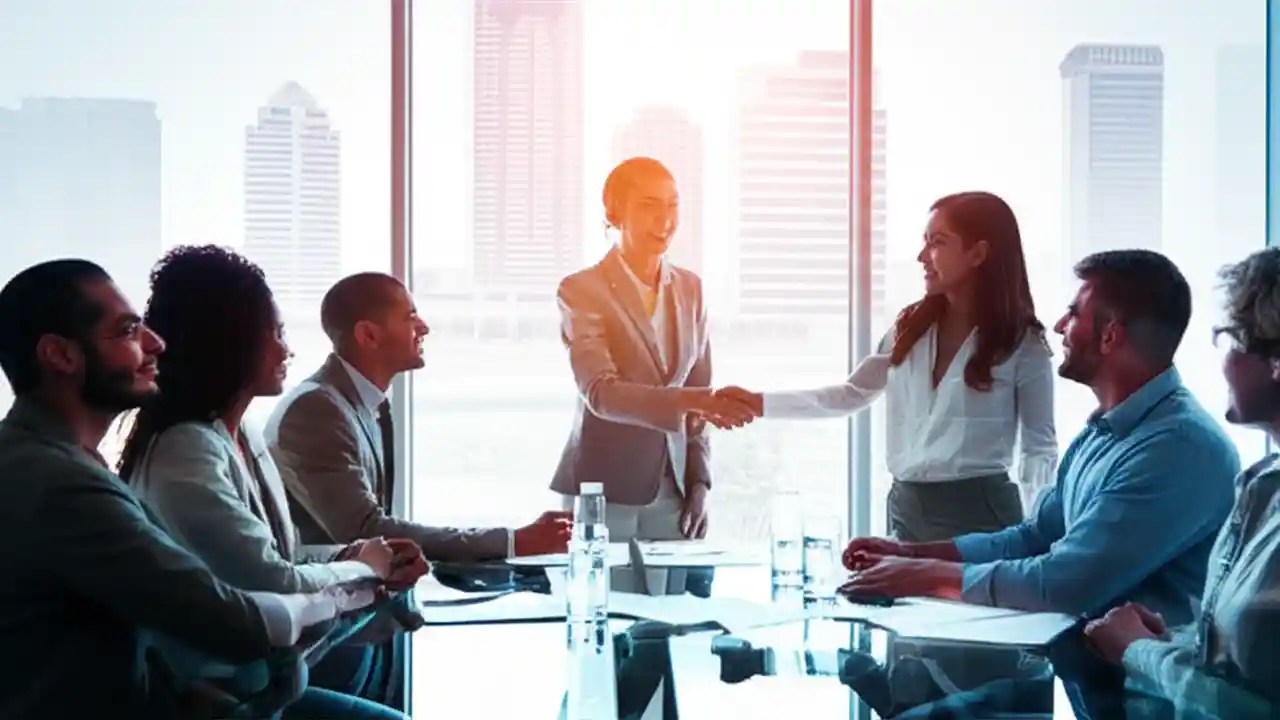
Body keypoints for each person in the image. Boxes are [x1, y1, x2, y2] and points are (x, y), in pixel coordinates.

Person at [0, 259, 360, 719]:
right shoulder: (58, 484)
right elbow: (232, 621)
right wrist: (360, 581)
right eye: (128, 331)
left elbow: (118, 615)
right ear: (60, 355)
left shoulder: (51, 460)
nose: (155, 343)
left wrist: (175, 692)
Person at [117, 246, 427, 719]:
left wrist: (355, 554)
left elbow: (279, 557)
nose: (289, 349)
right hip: (221, 696)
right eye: (276, 334)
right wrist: (366, 568)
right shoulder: (186, 452)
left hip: (267, 679)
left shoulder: (243, 435)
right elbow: (272, 580)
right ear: (230, 341)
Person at [721, 191, 1056, 540]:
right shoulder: (909, 329)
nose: (922, 257)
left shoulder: (1023, 344)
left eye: (937, 243)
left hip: (983, 515)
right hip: (906, 508)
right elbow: (850, 394)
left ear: (978, 253)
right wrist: (757, 402)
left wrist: (1039, 534)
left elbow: (1039, 449)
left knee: (966, 596)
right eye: (924, 243)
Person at [1085, 248, 1280, 719]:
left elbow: (1245, 710)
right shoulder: (1262, 486)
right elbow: (1243, 661)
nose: (1219, 358)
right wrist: (1175, 639)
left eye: (1227, 337)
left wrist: (1136, 650)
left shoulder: (1185, 444)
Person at [266, 271, 570, 560]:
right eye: (410, 317)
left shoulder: (362, 403)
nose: (423, 326)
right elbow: (366, 531)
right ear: (368, 335)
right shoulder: (316, 412)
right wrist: (513, 542)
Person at [550, 156, 750, 594]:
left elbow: (699, 388)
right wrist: (692, 403)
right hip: (602, 489)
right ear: (614, 212)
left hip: (673, 491)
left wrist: (700, 482)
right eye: (649, 205)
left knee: (667, 628)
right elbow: (600, 392)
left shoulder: (691, 289)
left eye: (673, 205)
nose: (665, 220)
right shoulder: (581, 290)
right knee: (606, 627)